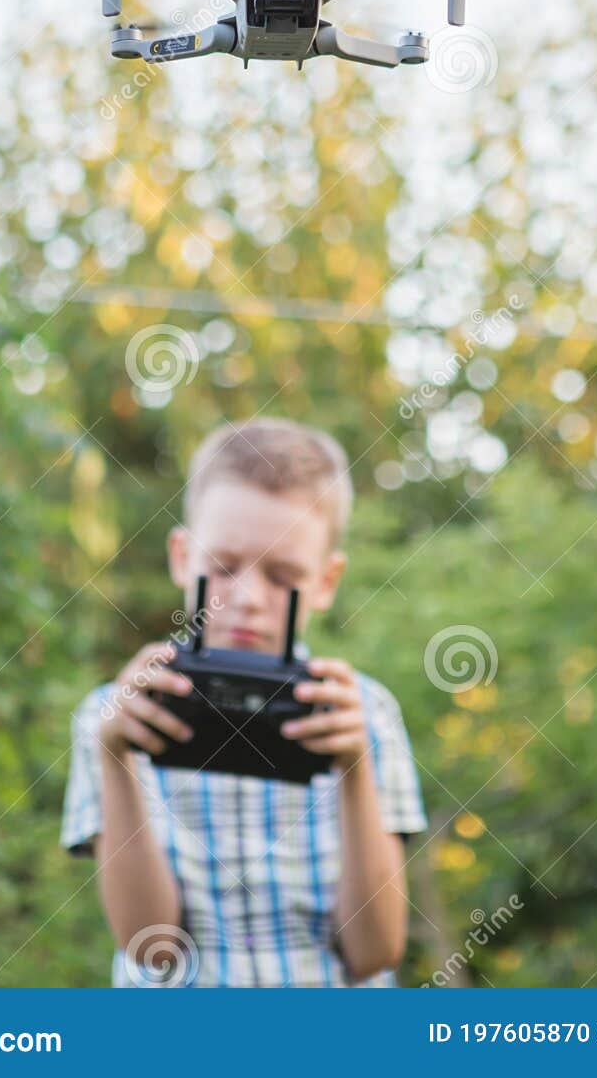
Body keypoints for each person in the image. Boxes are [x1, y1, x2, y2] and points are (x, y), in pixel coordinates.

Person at [60, 416, 427, 986]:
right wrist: (116, 760)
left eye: (283, 575)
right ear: (183, 558)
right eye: (224, 567)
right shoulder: (115, 716)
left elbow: (374, 952)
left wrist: (355, 769)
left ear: (327, 581)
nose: (249, 599)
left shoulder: (365, 716)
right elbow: (151, 949)